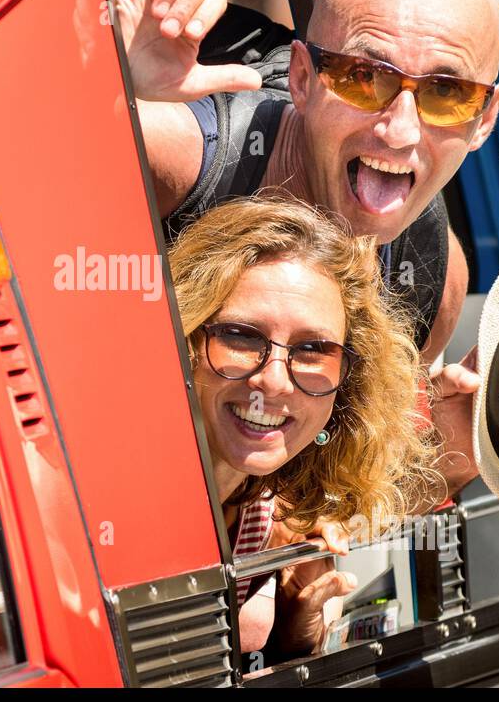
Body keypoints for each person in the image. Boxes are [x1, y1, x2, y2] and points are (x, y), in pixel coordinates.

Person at [115, 0, 499, 499]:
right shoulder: (186, 161)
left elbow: (342, 486)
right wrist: (110, 93)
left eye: (446, 93)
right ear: (300, 77)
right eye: (364, 77)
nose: (399, 130)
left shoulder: (431, 274)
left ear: (485, 118)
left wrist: (447, 458)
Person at [169, 197, 439, 656]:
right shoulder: (117, 513)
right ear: (184, 336)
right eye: (240, 335)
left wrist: (293, 637)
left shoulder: (267, 515)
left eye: (313, 349)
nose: (271, 381)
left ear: (348, 383)